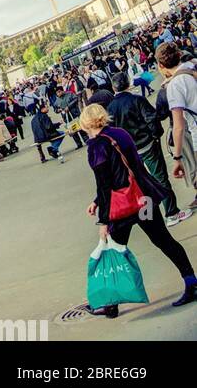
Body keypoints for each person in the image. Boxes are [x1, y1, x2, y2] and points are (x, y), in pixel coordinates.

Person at [79, 102, 197, 318]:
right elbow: (129, 167)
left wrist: (103, 221)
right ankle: (191, 280)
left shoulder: (96, 146)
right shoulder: (120, 134)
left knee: (115, 248)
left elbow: (105, 184)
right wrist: (97, 200)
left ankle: (111, 303)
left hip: (122, 208)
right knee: (163, 240)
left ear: (85, 123)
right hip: (143, 200)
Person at [107, 71, 180, 221]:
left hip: (129, 151)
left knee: (141, 183)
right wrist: (155, 136)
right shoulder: (137, 100)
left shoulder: (110, 109)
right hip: (147, 144)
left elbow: (111, 133)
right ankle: (171, 212)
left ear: (113, 88)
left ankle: (148, 216)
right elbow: (152, 119)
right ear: (128, 83)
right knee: (160, 177)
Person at [156, 42, 197, 210]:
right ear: (179, 55)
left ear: (160, 65)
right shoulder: (192, 66)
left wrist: (177, 158)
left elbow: (178, 125)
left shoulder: (174, 86)